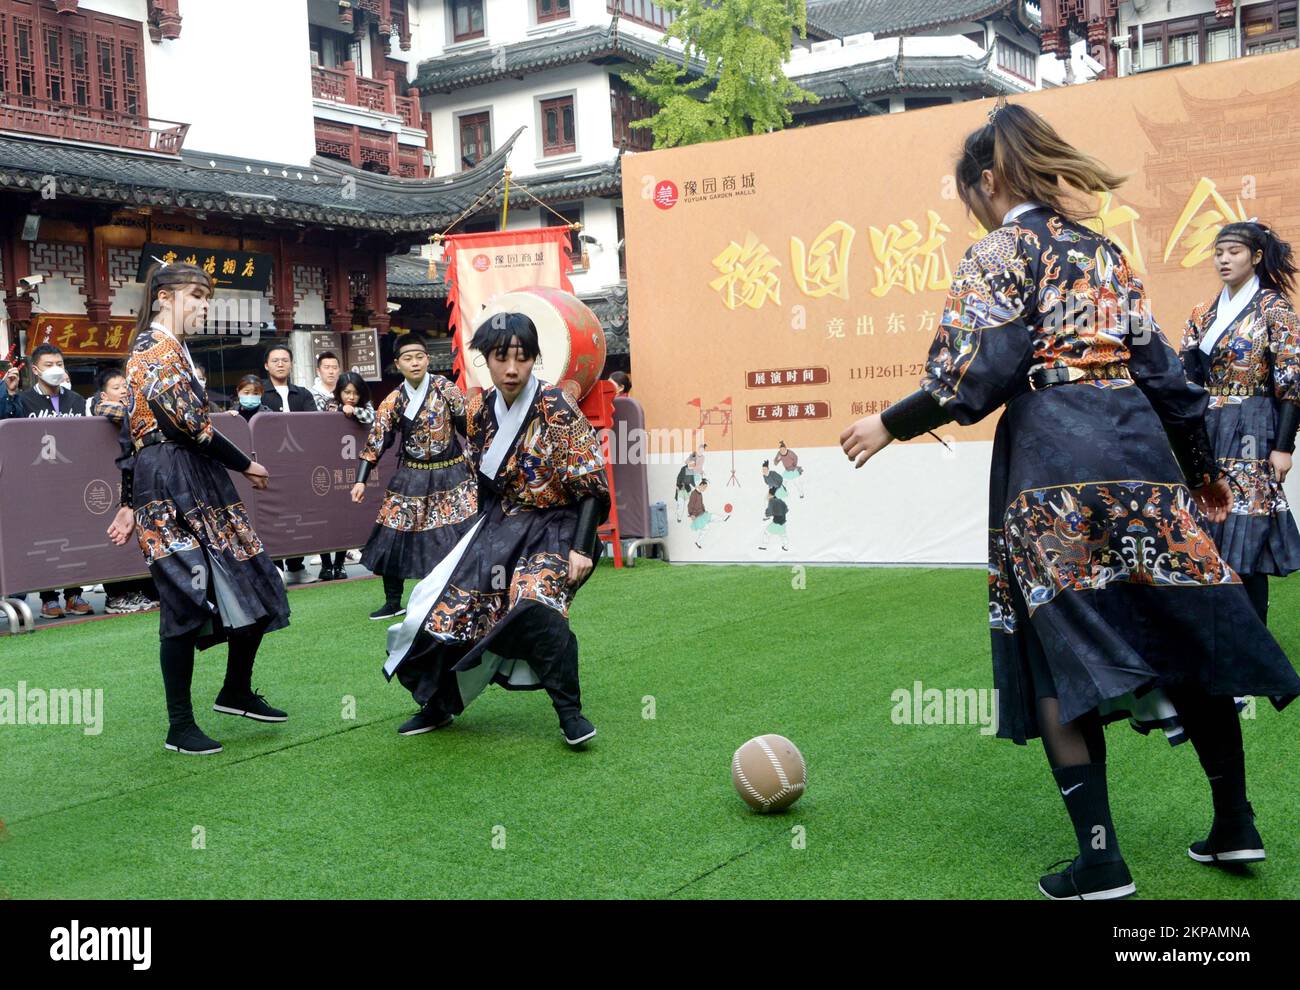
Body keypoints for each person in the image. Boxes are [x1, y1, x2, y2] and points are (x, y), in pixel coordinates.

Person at [840, 101, 1300, 900]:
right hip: (1141, 462)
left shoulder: (1001, 250)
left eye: (970, 195)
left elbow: (968, 377)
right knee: (1187, 633)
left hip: (1053, 469)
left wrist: (887, 423)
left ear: (988, 182)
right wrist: (1203, 475)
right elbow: (1167, 377)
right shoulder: (1106, 253)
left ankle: (1101, 861)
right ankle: (1235, 826)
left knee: (1059, 657)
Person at [383, 313, 608, 746]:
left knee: (535, 602)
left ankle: (570, 713)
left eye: (522, 358)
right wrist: (468, 543)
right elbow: (486, 481)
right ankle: (438, 702)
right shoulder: (482, 409)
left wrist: (581, 547)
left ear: (535, 360)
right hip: (502, 523)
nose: (511, 369)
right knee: (446, 606)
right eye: (500, 357)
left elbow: (591, 484)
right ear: (486, 359)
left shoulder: (557, 408)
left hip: (559, 526)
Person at [106, 261, 291, 756]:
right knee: (186, 595)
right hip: (169, 479)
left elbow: (131, 434)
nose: (203, 306)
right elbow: (189, 426)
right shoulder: (153, 348)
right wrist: (246, 462)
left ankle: (235, 691)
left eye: (207, 297)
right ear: (164, 296)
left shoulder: (175, 351)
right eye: (195, 295)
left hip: (190, 476)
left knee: (254, 575)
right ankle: (179, 725)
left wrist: (126, 503)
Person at [1179, 221, 1300, 624]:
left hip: (1253, 427)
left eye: (1233, 251)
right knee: (1207, 531)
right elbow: (1185, 377)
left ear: (1257, 257)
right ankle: (1218, 643)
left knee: (1246, 535)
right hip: (1207, 429)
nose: (1224, 259)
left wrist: (1284, 447)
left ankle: (1253, 648)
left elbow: (1291, 380)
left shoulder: (1274, 308)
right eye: (1219, 252)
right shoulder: (1201, 312)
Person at [351, 336, 476, 614]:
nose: (415, 362)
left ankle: (462, 594)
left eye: (419, 356)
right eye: (408, 358)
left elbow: (470, 429)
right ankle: (393, 601)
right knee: (391, 533)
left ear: (428, 359)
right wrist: (360, 479)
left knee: (461, 535)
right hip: (412, 475)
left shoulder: (446, 389)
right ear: (398, 364)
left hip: (452, 474)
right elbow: (377, 439)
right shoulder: (394, 399)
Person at [13, 344, 91, 618]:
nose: (56, 368)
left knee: (75, 538)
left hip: (71, 484)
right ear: (35, 370)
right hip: (38, 486)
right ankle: (49, 598)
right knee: (46, 541)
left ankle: (74, 594)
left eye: (59, 362)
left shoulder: (77, 401)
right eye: (48, 364)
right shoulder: (23, 401)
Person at [93, 366, 158, 615]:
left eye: (125, 387)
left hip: (138, 477)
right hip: (107, 483)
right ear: (103, 394)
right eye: (116, 388)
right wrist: (143, 412)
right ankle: (117, 594)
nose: (123, 391)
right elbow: (112, 412)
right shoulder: (101, 408)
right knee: (114, 534)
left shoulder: (138, 408)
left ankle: (144, 589)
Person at [259, 342, 316, 581]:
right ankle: (276, 567)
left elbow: (314, 425)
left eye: (285, 360)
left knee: (297, 512)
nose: (280, 364)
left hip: (297, 465)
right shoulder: (258, 392)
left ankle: (296, 566)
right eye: (275, 360)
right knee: (272, 514)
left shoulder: (303, 394)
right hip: (268, 464)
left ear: (291, 364)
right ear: (266, 365)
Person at [317, 372, 376, 580]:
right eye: (347, 392)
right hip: (324, 466)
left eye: (355, 393)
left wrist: (352, 410)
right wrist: (341, 410)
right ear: (338, 392)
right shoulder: (327, 404)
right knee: (325, 516)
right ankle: (326, 565)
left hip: (348, 467)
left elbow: (371, 417)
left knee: (343, 516)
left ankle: (340, 564)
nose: (351, 396)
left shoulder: (366, 407)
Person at [758, 486, 789, 552]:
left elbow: (768, 512)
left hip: (776, 522)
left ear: (771, 495)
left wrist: (767, 517)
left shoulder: (772, 502)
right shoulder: (780, 501)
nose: (767, 496)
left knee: (767, 532)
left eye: (768, 495)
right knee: (783, 535)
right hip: (783, 521)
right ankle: (786, 547)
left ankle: (764, 546)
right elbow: (786, 509)